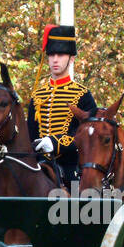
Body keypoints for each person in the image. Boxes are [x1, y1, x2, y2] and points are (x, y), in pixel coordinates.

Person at [26, 24, 96, 186]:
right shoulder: (37, 96)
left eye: (61, 55)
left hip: (71, 167)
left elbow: (89, 136)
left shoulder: (83, 95)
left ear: (71, 58)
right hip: (38, 165)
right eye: (51, 55)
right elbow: (30, 134)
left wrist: (56, 143)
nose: (55, 60)